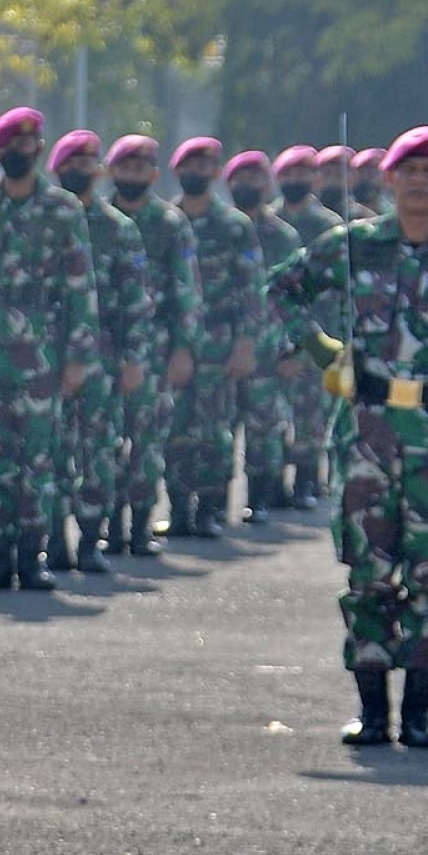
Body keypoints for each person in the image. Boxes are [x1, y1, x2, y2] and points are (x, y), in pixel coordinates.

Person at [268, 127, 428, 748]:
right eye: (408, 172)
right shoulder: (354, 249)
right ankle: (373, 709)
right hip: (368, 430)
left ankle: (419, 711)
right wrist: (318, 346)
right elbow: (283, 287)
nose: (419, 182)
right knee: (369, 569)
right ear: (390, 181)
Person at [0, 107, 99, 591]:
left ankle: (33, 556)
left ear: (40, 150)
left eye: (26, 145)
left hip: (45, 351)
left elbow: (80, 286)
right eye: (9, 146)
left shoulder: (63, 210)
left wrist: (78, 356)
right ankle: (0, 555)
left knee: (39, 458)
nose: (18, 152)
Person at [49, 129, 150, 571]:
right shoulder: (43, 222)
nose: (79, 171)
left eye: (87, 163)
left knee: (97, 452)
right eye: (70, 163)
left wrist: (135, 358)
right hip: (44, 359)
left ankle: (90, 540)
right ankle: (52, 540)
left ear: (99, 170)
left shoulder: (118, 229)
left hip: (103, 361)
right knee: (48, 452)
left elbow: (136, 300)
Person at [103, 135, 200, 554]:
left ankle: (140, 527)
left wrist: (183, 348)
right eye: (125, 167)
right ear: (112, 171)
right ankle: (109, 526)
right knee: (103, 442)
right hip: (102, 348)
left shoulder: (170, 222)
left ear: (154, 174)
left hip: (155, 351)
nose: (132, 175)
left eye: (141, 169)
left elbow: (186, 292)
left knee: (146, 441)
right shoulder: (97, 219)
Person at [163, 138, 265, 536]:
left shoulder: (234, 226)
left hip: (221, 341)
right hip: (172, 343)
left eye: (206, 166)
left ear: (217, 173)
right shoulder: (168, 220)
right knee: (172, 427)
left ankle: (209, 507)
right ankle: (177, 508)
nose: (198, 173)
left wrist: (246, 343)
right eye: (190, 165)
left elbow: (253, 289)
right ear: (177, 170)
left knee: (212, 430)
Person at [225, 150, 302, 523]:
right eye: (242, 179)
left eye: (257, 179)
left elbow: (297, 296)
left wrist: (294, 348)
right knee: (217, 426)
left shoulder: (284, 236)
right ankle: (212, 503)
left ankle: (261, 498)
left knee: (264, 426)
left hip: (271, 347)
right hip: (221, 345)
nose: (249, 186)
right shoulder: (222, 227)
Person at [274, 144, 344, 506]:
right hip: (274, 334)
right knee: (273, 414)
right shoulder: (270, 222)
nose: (296, 181)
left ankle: (306, 481)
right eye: (289, 174)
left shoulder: (329, 227)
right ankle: (273, 484)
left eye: (303, 174)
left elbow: (329, 295)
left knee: (310, 412)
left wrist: (308, 342)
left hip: (318, 332)